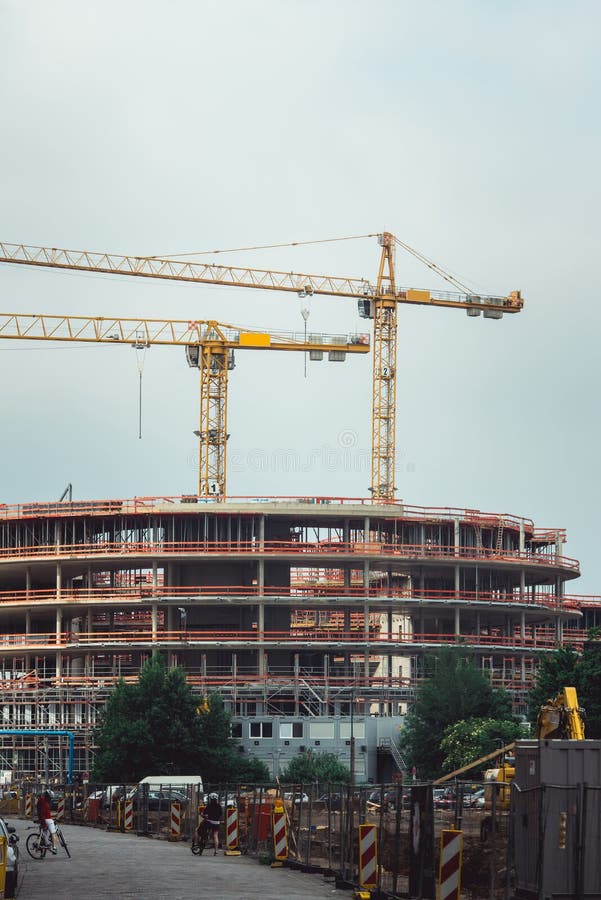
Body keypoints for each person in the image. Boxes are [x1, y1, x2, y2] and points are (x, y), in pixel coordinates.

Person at [36, 790, 58, 854]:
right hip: (46, 819)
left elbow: (41, 812)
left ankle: (46, 844)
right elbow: (43, 813)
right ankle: (54, 848)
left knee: (45, 833)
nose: (51, 799)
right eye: (50, 798)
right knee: (53, 832)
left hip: (43, 819)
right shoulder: (44, 802)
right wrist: (44, 823)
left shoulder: (41, 801)